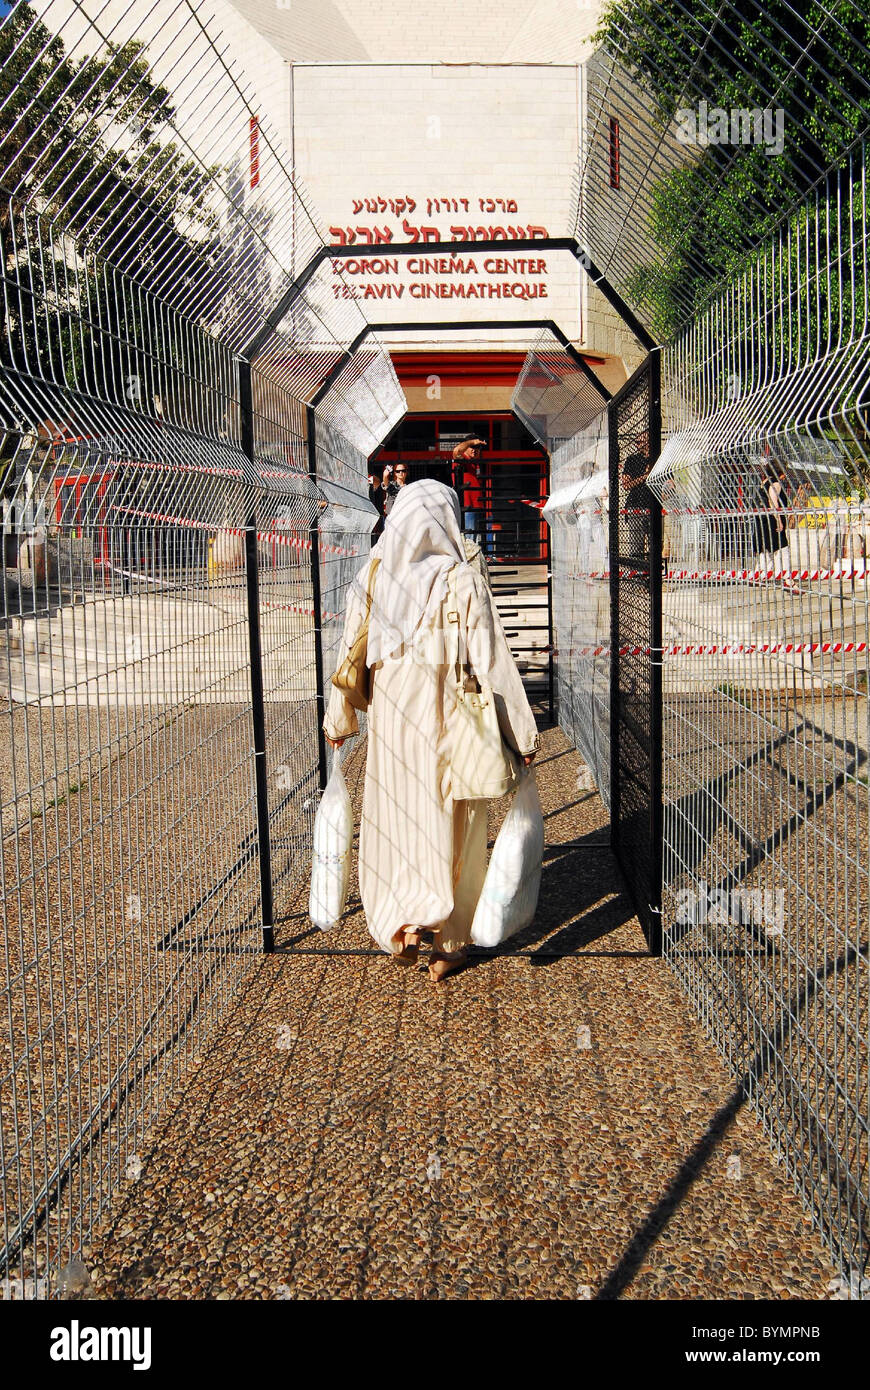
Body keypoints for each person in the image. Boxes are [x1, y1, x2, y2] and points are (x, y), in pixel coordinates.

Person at [323, 479, 538, 982]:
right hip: (450, 727)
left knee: (395, 823)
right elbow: (493, 661)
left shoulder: (373, 578)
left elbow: (347, 652)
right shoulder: (461, 580)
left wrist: (339, 721)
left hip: (392, 733)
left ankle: (401, 923)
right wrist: (521, 734)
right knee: (453, 824)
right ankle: (448, 942)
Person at [754, 461, 794, 589]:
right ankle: (786, 578)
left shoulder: (763, 483)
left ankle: (761, 575)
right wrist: (779, 520)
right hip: (772, 519)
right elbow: (773, 502)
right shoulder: (775, 484)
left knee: (767, 548)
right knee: (782, 548)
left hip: (762, 519)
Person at [452, 434, 489, 554]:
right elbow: (456, 450)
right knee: (470, 539)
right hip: (468, 507)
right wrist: (472, 441)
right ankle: (470, 564)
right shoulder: (461, 460)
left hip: (479, 505)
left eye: (478, 447)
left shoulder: (476, 463)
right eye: (472, 447)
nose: (475, 449)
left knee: (478, 539)